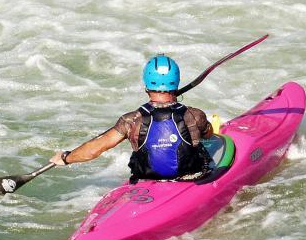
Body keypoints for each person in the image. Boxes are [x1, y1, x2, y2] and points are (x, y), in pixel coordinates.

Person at [50, 54, 213, 180]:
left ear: (146, 84)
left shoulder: (131, 120)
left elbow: (94, 149)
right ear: (176, 82)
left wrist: (66, 158)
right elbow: (209, 134)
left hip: (148, 180)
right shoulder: (194, 115)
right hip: (190, 179)